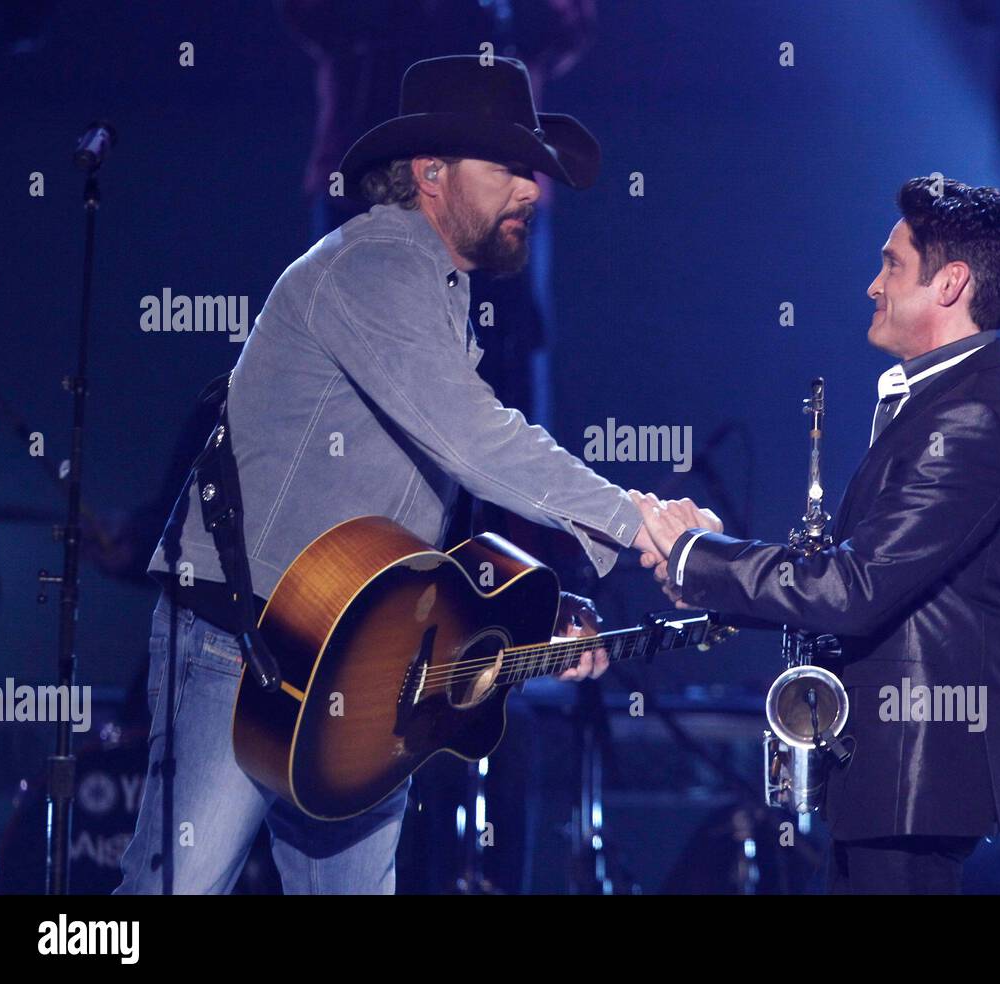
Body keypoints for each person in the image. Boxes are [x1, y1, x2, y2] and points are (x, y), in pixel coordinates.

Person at [115, 55, 714, 895]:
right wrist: (636, 517)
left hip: (360, 662)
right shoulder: (374, 264)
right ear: (431, 174)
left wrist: (534, 611)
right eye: (510, 168)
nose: (532, 191)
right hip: (245, 645)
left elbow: (410, 520)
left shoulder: (437, 289)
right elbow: (478, 438)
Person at [635, 177, 1000, 894]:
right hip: (887, 775)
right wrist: (704, 581)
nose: (871, 285)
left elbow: (855, 589)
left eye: (891, 264)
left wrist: (698, 556)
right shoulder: (943, 402)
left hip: (917, 774)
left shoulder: (968, 419)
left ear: (950, 284)